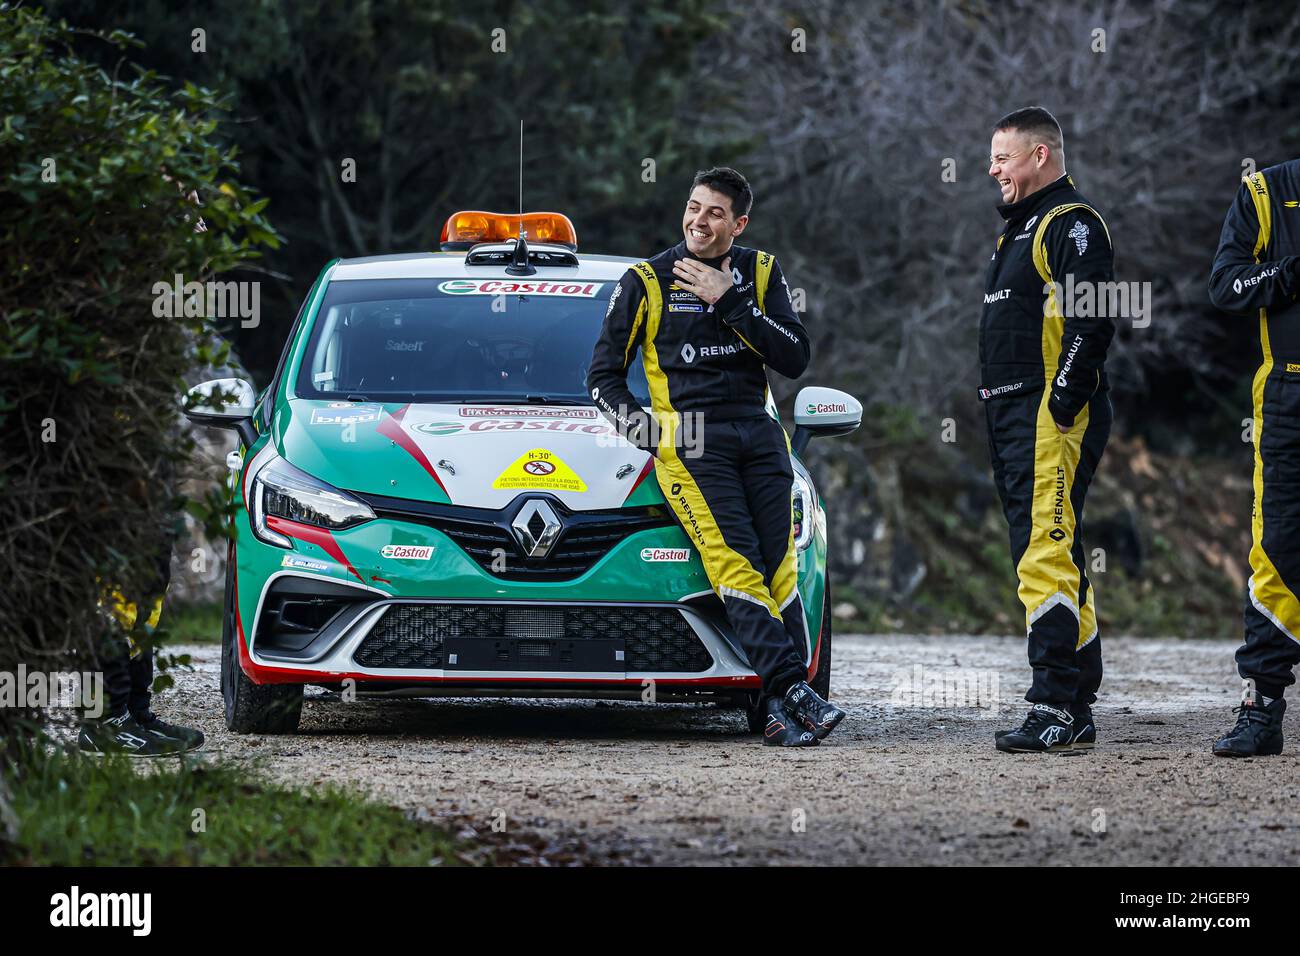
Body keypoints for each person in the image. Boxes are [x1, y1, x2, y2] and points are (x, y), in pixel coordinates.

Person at [586, 166, 843, 746]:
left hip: (760, 433)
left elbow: (795, 357)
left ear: (739, 223)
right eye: (693, 208)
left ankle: (781, 709)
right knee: (734, 564)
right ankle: (793, 690)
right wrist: (648, 434)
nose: (699, 221)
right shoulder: (645, 280)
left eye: (715, 213)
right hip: (692, 440)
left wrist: (730, 302)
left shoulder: (760, 271)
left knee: (780, 571)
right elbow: (601, 378)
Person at [980, 107, 1116, 753]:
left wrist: (1062, 402)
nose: (991, 169)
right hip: (1012, 416)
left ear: (1039, 156)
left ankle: (1054, 706)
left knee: (1043, 554)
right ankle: (1079, 702)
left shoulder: (1073, 222)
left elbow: (1094, 321)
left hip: (1048, 415)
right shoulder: (1017, 229)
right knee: (1050, 548)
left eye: (1001, 157)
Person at [1208, 158, 1300, 757]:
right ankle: (1262, 707)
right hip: (1290, 395)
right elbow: (1226, 284)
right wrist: (1291, 274)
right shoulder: (1269, 189)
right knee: (1278, 548)